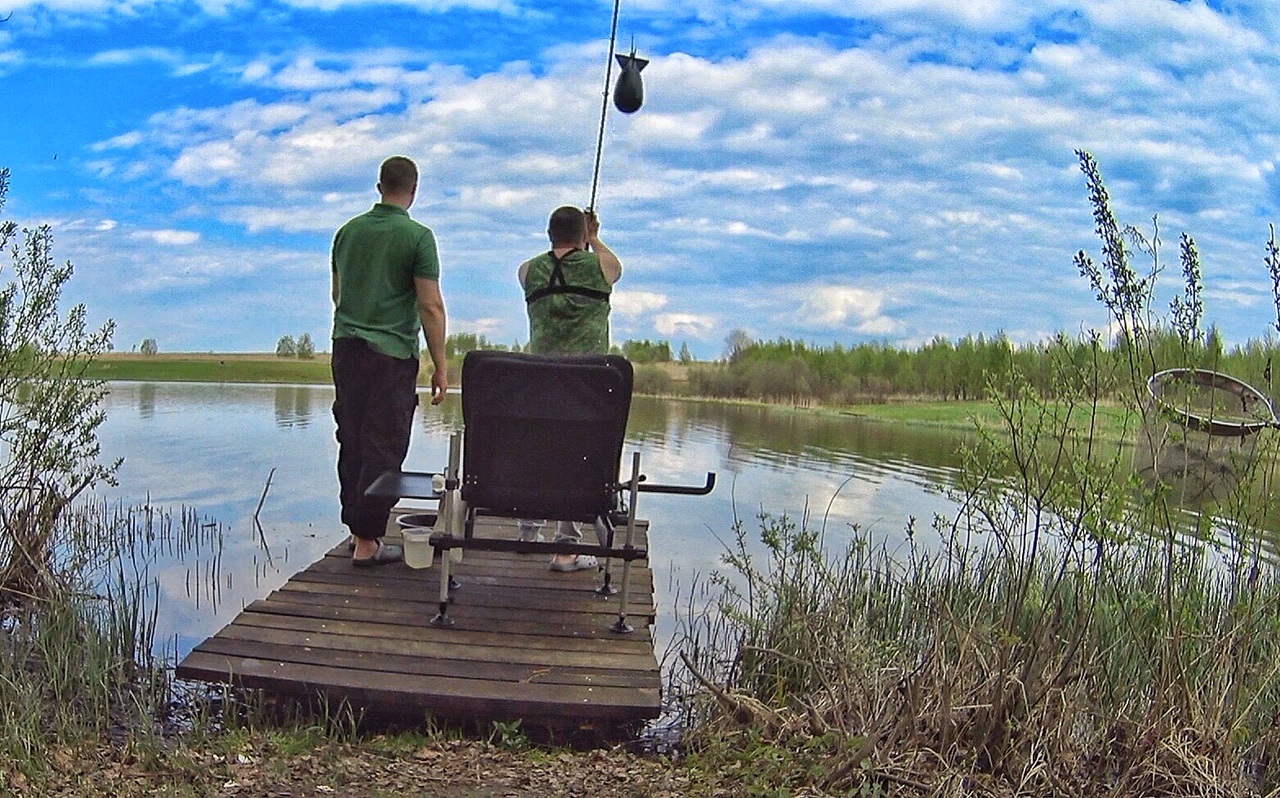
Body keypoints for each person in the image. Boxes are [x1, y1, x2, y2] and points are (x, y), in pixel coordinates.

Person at [331, 155, 448, 567]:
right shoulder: (418, 237)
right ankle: (368, 541)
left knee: (352, 438)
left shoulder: (346, 233)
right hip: (392, 354)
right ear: (413, 190)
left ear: (379, 186)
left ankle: (358, 529)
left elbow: (338, 294)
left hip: (345, 348)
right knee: (384, 442)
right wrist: (441, 364)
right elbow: (430, 305)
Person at [517, 205, 623, 571]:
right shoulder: (600, 267)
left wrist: (581, 237)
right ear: (581, 235)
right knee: (578, 459)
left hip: (538, 389)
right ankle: (566, 549)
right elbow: (615, 269)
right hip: (586, 392)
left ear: (549, 234)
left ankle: (528, 532)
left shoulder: (528, 270)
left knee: (538, 450)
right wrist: (593, 238)